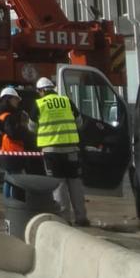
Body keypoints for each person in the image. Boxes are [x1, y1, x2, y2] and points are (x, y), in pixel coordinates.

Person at [34, 75, 89, 227]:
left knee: (58, 184)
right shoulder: (66, 101)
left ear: (41, 91)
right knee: (75, 182)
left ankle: (64, 219)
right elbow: (79, 122)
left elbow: (31, 126)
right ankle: (81, 217)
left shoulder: (39, 104)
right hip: (71, 148)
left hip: (51, 150)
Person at [0, 85, 36, 201]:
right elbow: (13, 133)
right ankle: (13, 203)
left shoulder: (4, 115)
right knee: (15, 180)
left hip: (8, 152)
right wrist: (25, 132)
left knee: (9, 179)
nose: (17, 102)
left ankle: (8, 202)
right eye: (15, 99)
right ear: (8, 99)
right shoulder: (8, 117)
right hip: (11, 153)